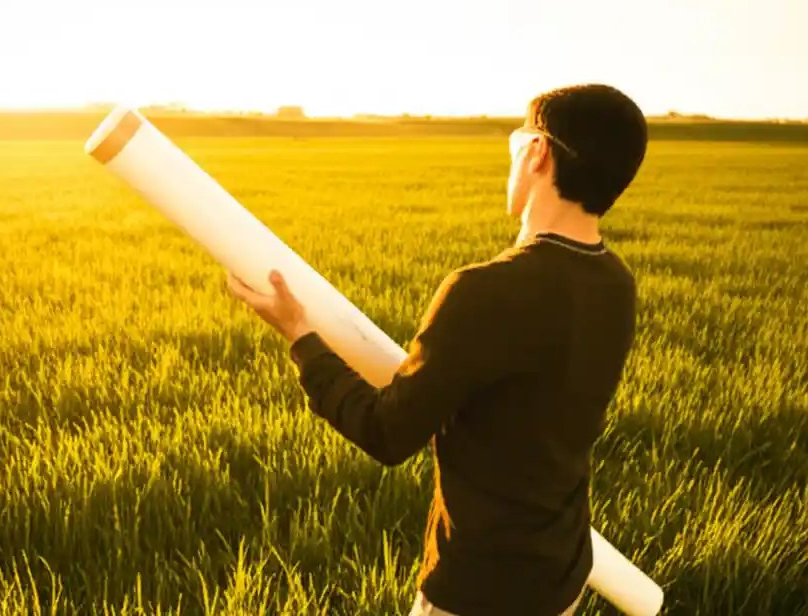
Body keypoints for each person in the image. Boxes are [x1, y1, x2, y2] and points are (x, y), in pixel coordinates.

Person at [226, 84, 648, 616]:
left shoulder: (483, 291)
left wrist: (301, 336)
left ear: (538, 152)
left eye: (518, 139)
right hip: (560, 577)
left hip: (477, 590)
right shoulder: (616, 283)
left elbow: (386, 432)